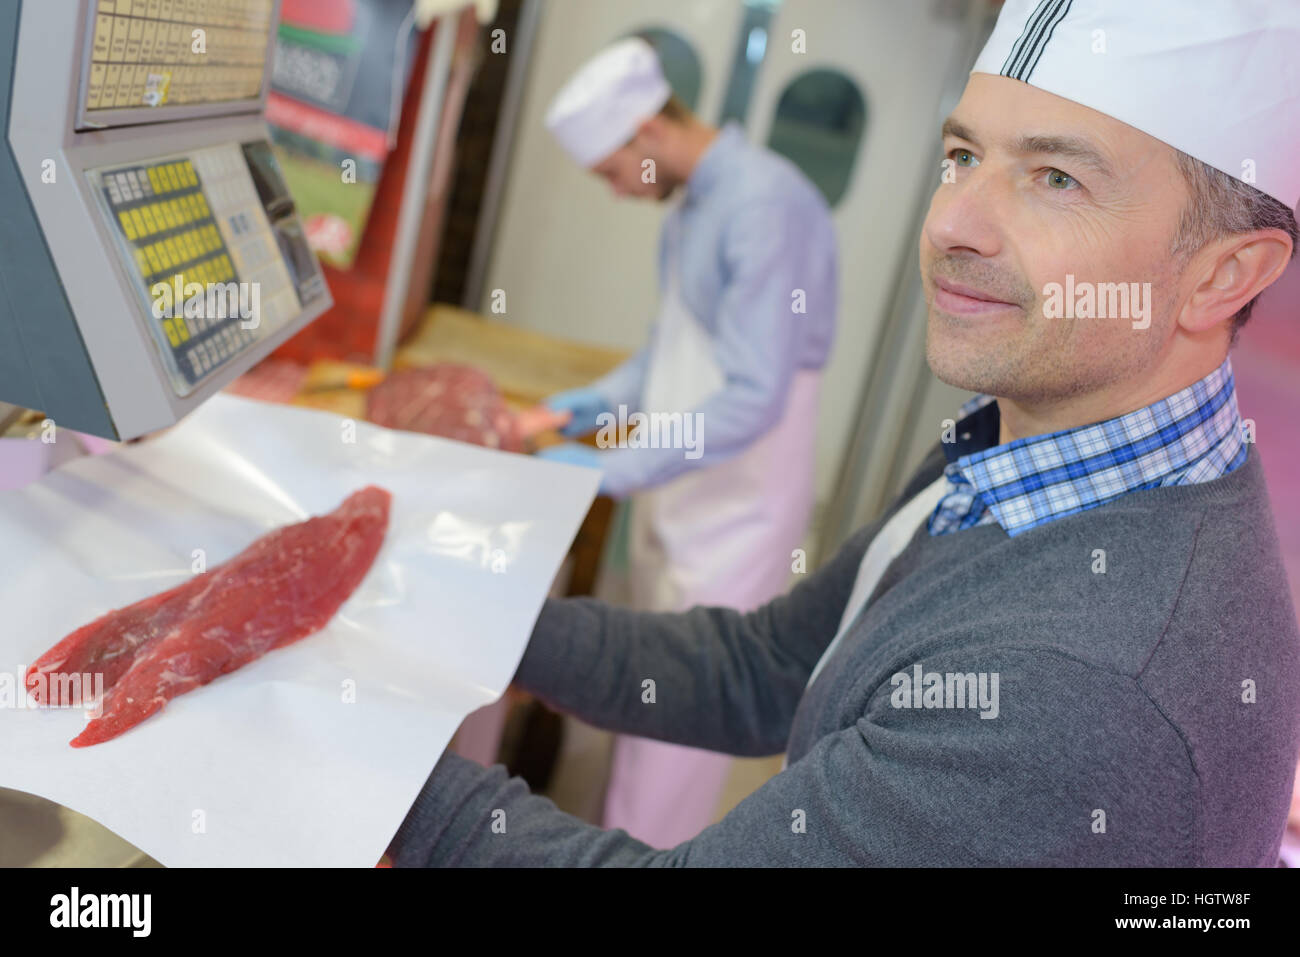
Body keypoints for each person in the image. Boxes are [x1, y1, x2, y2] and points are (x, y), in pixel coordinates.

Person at [386, 0, 1300, 865]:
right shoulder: (1014, 450)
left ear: (1224, 276)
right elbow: (772, 665)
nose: (949, 222)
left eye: (1056, 178)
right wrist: (463, 606)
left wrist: (369, 770)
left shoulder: (1089, 697)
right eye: (960, 155)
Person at [532, 38, 838, 847]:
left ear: (646, 132)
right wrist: (598, 404)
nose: (610, 192)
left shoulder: (764, 205)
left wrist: (612, 468)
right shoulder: (696, 203)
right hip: (683, 493)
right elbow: (671, 347)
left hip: (735, 509)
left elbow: (750, 396)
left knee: (677, 726)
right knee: (648, 693)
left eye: (607, 171)